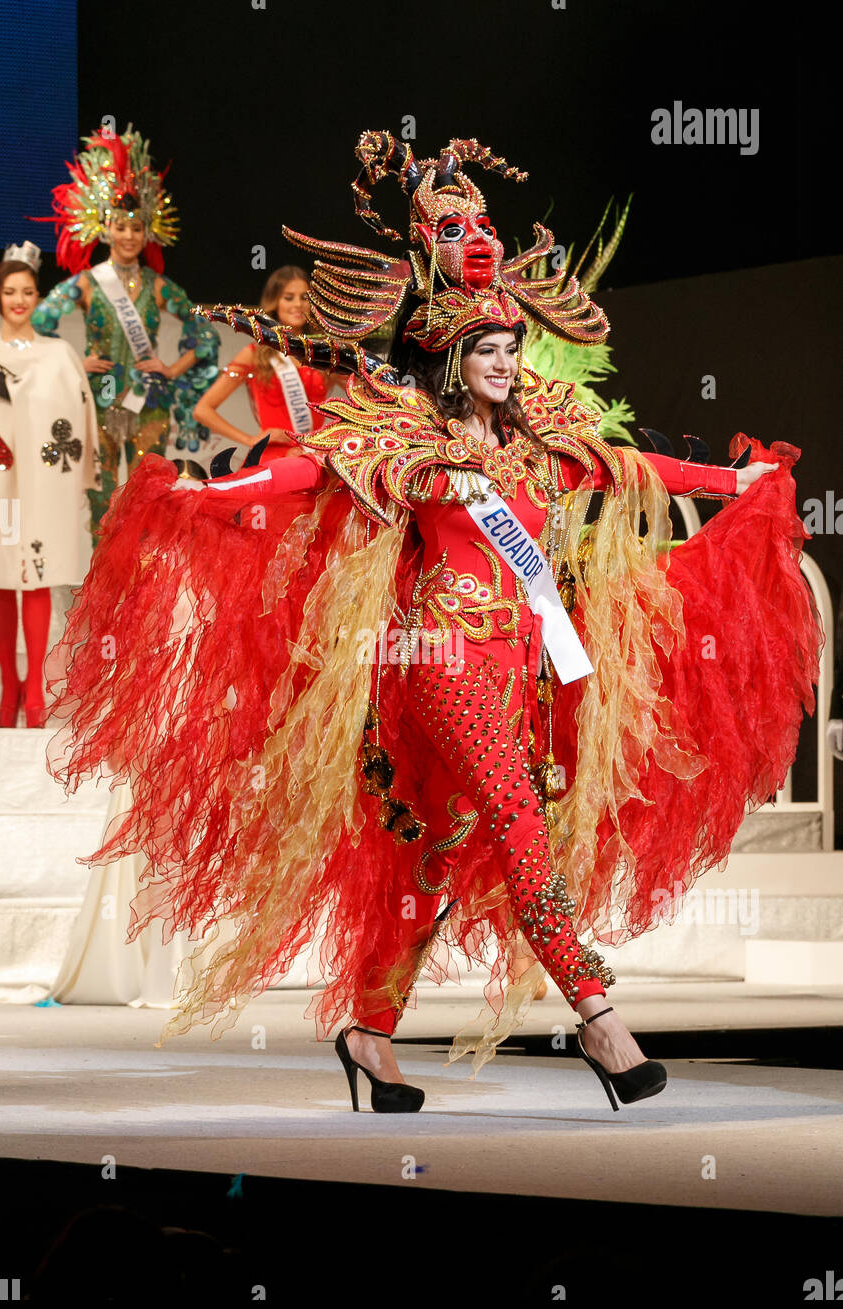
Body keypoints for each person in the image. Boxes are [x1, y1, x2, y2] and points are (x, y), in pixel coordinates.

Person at [43, 132, 821, 1113]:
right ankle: (599, 1020)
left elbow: (641, 470)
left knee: (433, 849)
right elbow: (305, 473)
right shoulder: (408, 440)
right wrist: (205, 488)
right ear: (455, 360)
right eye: (487, 352)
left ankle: (368, 1037)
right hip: (438, 656)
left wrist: (733, 481)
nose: (505, 364)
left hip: (523, 665)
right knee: (513, 815)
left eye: (511, 349)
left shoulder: (542, 442)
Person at [30, 125, 218, 538]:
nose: (129, 236)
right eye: (120, 226)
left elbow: (205, 335)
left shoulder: (158, 286)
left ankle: (136, 593)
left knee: (145, 501)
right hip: (98, 399)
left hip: (148, 403)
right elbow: (37, 323)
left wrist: (170, 369)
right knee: (100, 503)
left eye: (136, 228)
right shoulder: (85, 284)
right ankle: (100, 595)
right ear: (104, 229)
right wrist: (75, 362)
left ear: (147, 232)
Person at [0, 241, 98, 726]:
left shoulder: (58, 354)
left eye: (27, 291)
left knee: (39, 576)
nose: (20, 300)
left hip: (45, 485)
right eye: (10, 292)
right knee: (1, 576)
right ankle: (9, 685)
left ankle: (34, 690)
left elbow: (80, 417)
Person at [193, 264, 338, 461]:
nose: (298, 304)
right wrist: (251, 440)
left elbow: (361, 394)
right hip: (272, 459)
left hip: (313, 459)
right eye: (288, 297)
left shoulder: (322, 353)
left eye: (304, 297)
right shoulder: (255, 355)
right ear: (275, 302)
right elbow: (202, 410)